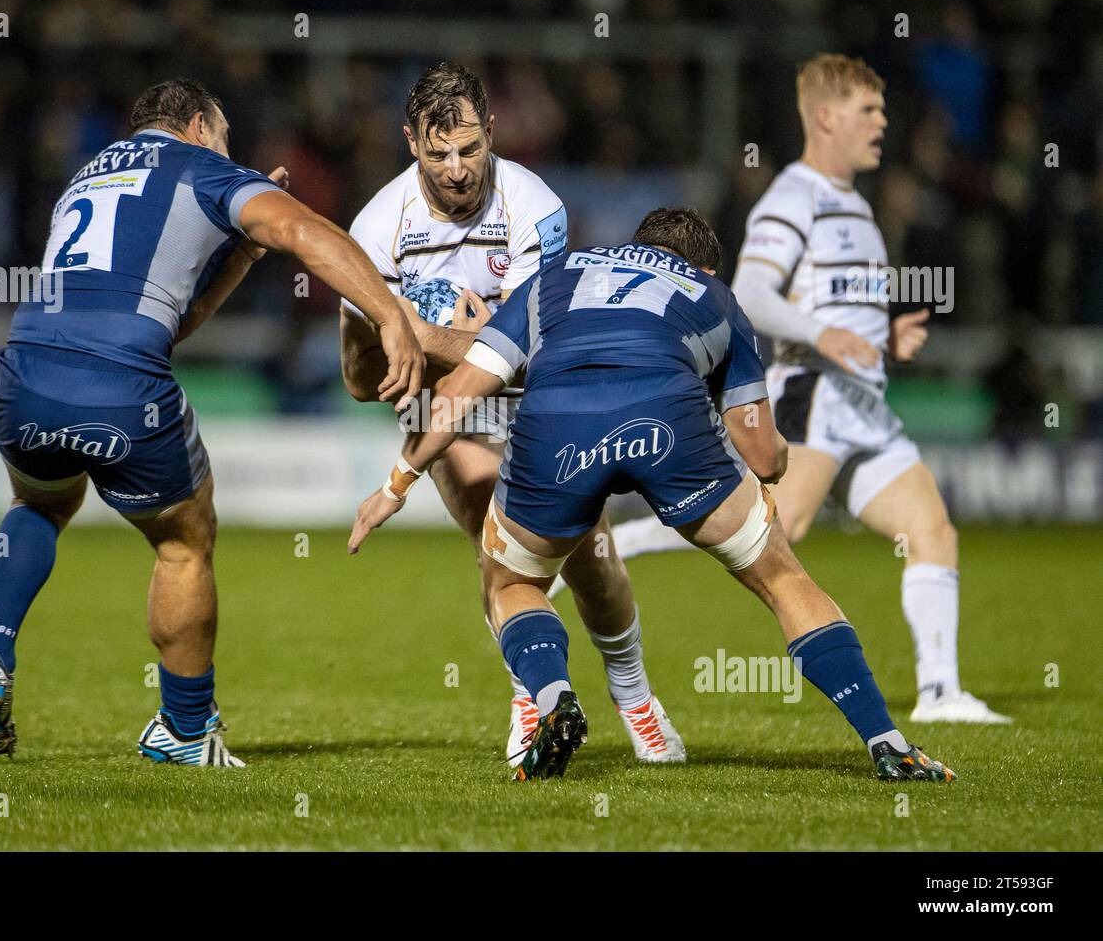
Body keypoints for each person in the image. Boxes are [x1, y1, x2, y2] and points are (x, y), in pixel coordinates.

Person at [348, 208, 957, 784]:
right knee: (782, 578)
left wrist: (394, 487)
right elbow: (764, 456)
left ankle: (555, 697)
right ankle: (887, 743)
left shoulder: (551, 278)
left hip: (557, 428)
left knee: (511, 586)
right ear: (707, 267)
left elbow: (458, 393)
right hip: (668, 424)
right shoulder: (716, 297)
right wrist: (780, 461)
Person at [0, 78, 424, 766]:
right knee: (184, 541)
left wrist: (240, 249)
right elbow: (302, 228)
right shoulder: (204, 168)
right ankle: (184, 728)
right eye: (226, 138)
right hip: (118, 384)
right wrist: (389, 315)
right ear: (200, 125)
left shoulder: (85, 178)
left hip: (24, 372)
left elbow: (177, 317)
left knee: (39, 502)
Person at [573, 55, 1010, 725]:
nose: (882, 123)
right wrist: (825, 337)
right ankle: (632, 539)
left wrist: (884, 337)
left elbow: (834, 303)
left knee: (931, 527)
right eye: (869, 110)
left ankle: (941, 693)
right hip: (815, 391)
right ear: (827, 118)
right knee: (776, 528)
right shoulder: (794, 198)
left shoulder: (857, 208)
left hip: (863, 399)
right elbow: (749, 292)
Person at [339, 62, 684, 767]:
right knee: (499, 549)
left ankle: (634, 693)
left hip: (540, 399)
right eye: (438, 154)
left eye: (470, 148)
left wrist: (428, 332)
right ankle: (537, 693)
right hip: (443, 407)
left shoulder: (535, 207)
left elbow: (540, 350)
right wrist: (391, 331)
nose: (458, 168)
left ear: (492, 131)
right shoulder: (374, 232)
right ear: (410, 143)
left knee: (590, 560)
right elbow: (359, 380)